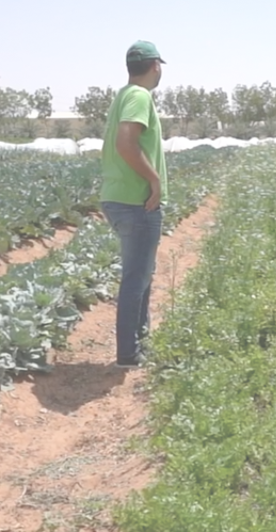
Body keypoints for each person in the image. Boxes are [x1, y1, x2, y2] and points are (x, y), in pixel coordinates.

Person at [100, 40, 168, 369]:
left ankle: (139, 344)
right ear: (155, 66)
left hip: (119, 197)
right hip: (135, 200)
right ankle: (129, 353)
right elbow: (126, 142)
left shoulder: (124, 95)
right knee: (136, 279)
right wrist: (154, 180)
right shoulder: (140, 96)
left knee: (140, 276)